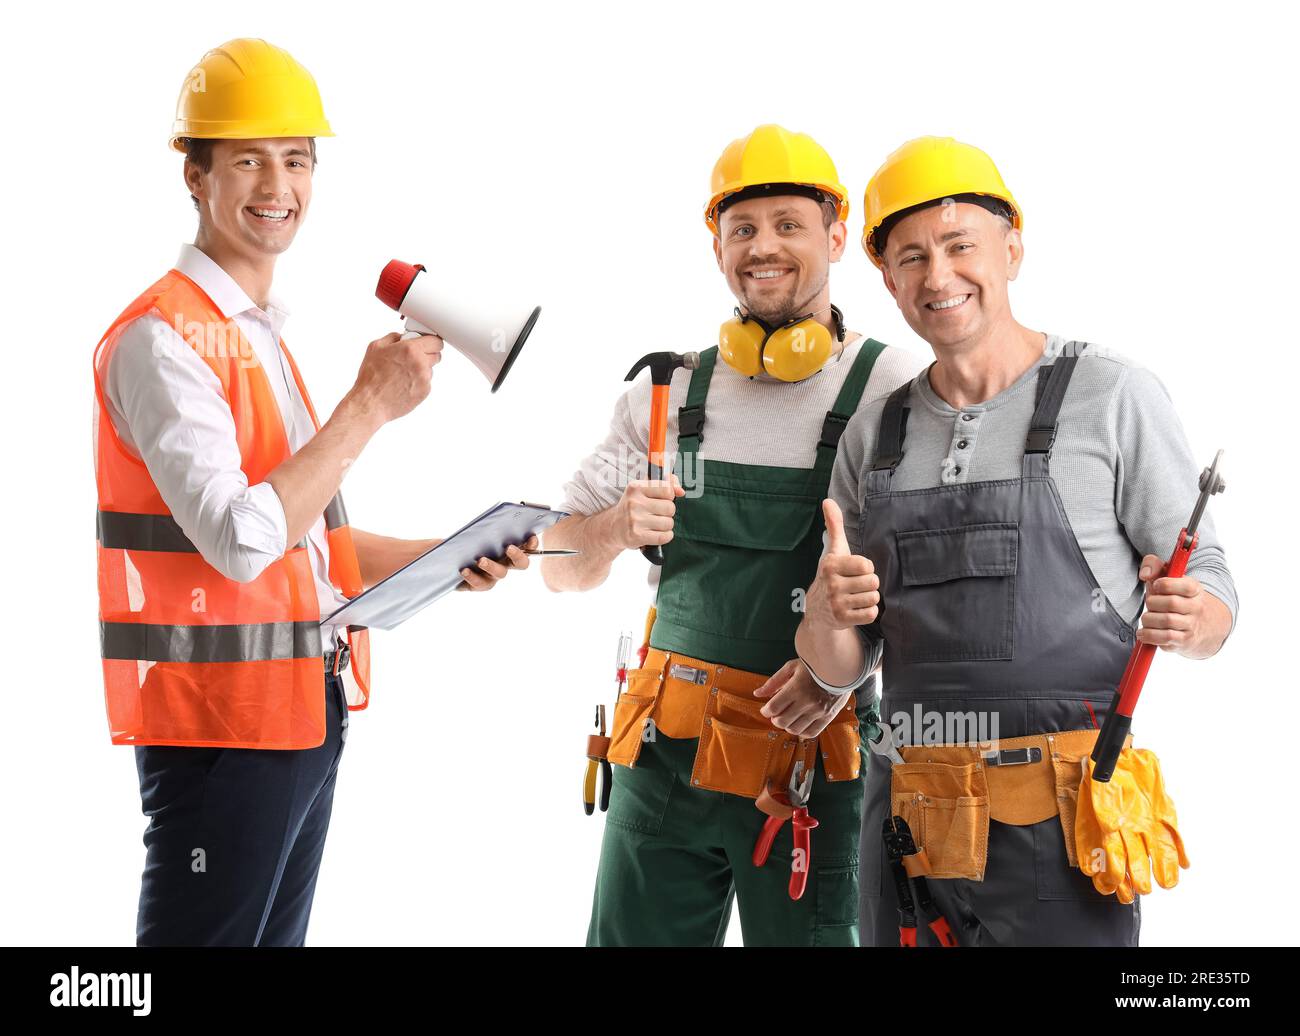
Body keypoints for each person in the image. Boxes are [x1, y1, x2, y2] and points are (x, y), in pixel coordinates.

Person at [92, 38, 533, 946]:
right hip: (219, 731)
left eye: (296, 159)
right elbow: (243, 541)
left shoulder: (256, 337)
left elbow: (310, 550)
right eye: (248, 157)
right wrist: (367, 406)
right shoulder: (161, 341)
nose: (277, 183)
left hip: (301, 714)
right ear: (195, 174)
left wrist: (455, 556)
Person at [795, 136, 1238, 946]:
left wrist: (1193, 614)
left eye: (961, 245)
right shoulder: (876, 433)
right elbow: (840, 664)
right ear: (888, 281)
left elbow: (1208, 582)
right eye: (911, 257)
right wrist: (827, 614)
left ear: (1013, 248)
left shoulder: (1111, 396)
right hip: (909, 833)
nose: (939, 276)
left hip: (1062, 845)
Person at [542, 125, 925, 945]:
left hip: (814, 760)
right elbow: (557, 567)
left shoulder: (892, 388)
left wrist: (848, 668)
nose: (764, 247)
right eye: (743, 228)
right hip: (664, 754)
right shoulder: (668, 390)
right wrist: (612, 527)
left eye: (789, 224)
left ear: (835, 235)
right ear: (716, 243)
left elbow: (927, 580)